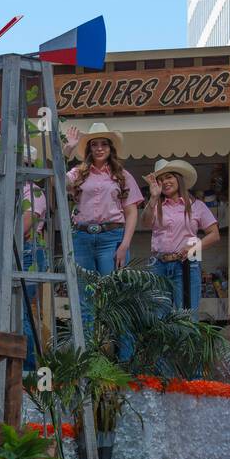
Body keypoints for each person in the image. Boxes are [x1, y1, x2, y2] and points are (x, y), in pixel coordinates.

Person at [64, 124, 141, 344]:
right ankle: (89, 359)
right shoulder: (78, 172)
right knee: (84, 298)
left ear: (110, 148)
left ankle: (122, 359)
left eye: (103, 144)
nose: (99, 148)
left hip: (112, 237)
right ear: (88, 149)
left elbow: (131, 211)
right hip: (82, 237)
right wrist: (67, 151)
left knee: (115, 297)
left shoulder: (122, 175)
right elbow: (56, 182)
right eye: (94, 144)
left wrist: (124, 244)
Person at [0, 145, 49, 369]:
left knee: (22, 311)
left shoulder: (34, 192)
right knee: (8, 311)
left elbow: (24, 226)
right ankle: (12, 365)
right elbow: (1, 225)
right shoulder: (11, 193)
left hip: (26, 251)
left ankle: (26, 367)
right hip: (11, 252)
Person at [142, 159, 221, 317]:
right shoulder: (156, 205)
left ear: (178, 179)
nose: (165, 182)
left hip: (187, 263)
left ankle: (187, 342)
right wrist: (153, 197)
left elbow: (214, 234)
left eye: (169, 177)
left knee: (187, 315)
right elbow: (145, 222)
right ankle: (164, 343)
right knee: (158, 316)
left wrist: (194, 248)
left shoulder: (195, 205)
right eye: (161, 179)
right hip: (159, 263)